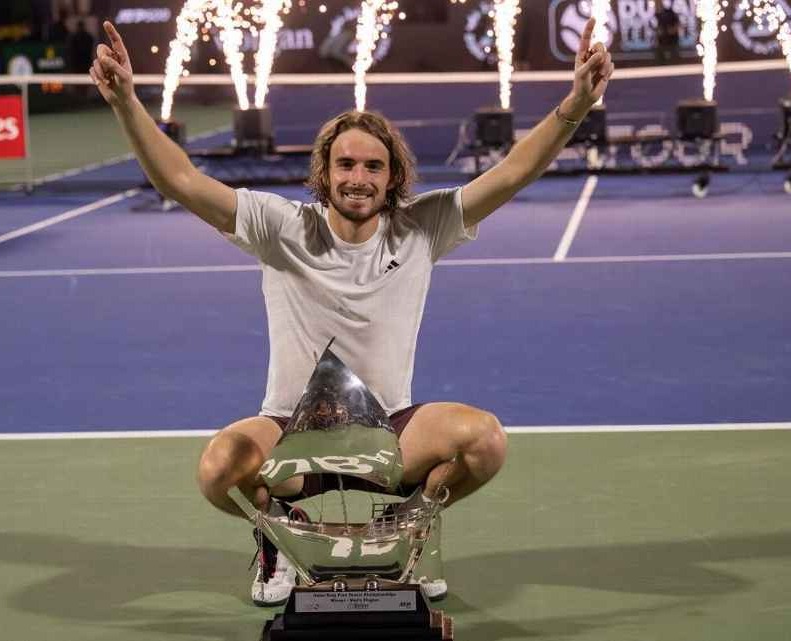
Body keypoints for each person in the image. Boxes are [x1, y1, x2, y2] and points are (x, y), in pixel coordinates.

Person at [90, 18, 613, 606]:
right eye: (346, 165)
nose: (358, 179)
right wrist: (128, 104)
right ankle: (276, 541)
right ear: (325, 171)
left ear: (392, 177)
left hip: (391, 432)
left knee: (485, 441)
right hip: (289, 430)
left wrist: (576, 104)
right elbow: (182, 179)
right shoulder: (279, 225)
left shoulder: (422, 228)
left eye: (372, 167)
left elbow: (514, 171)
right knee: (218, 469)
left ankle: (407, 528)